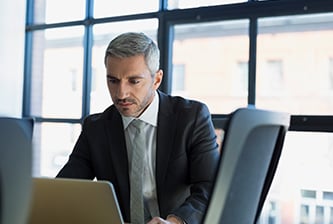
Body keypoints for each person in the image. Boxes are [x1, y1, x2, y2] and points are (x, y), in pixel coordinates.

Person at [57, 32, 220, 224]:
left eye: (134, 81)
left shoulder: (191, 118)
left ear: (157, 80)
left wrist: (176, 221)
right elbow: (64, 190)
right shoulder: (96, 128)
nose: (121, 93)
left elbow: (209, 187)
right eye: (113, 81)